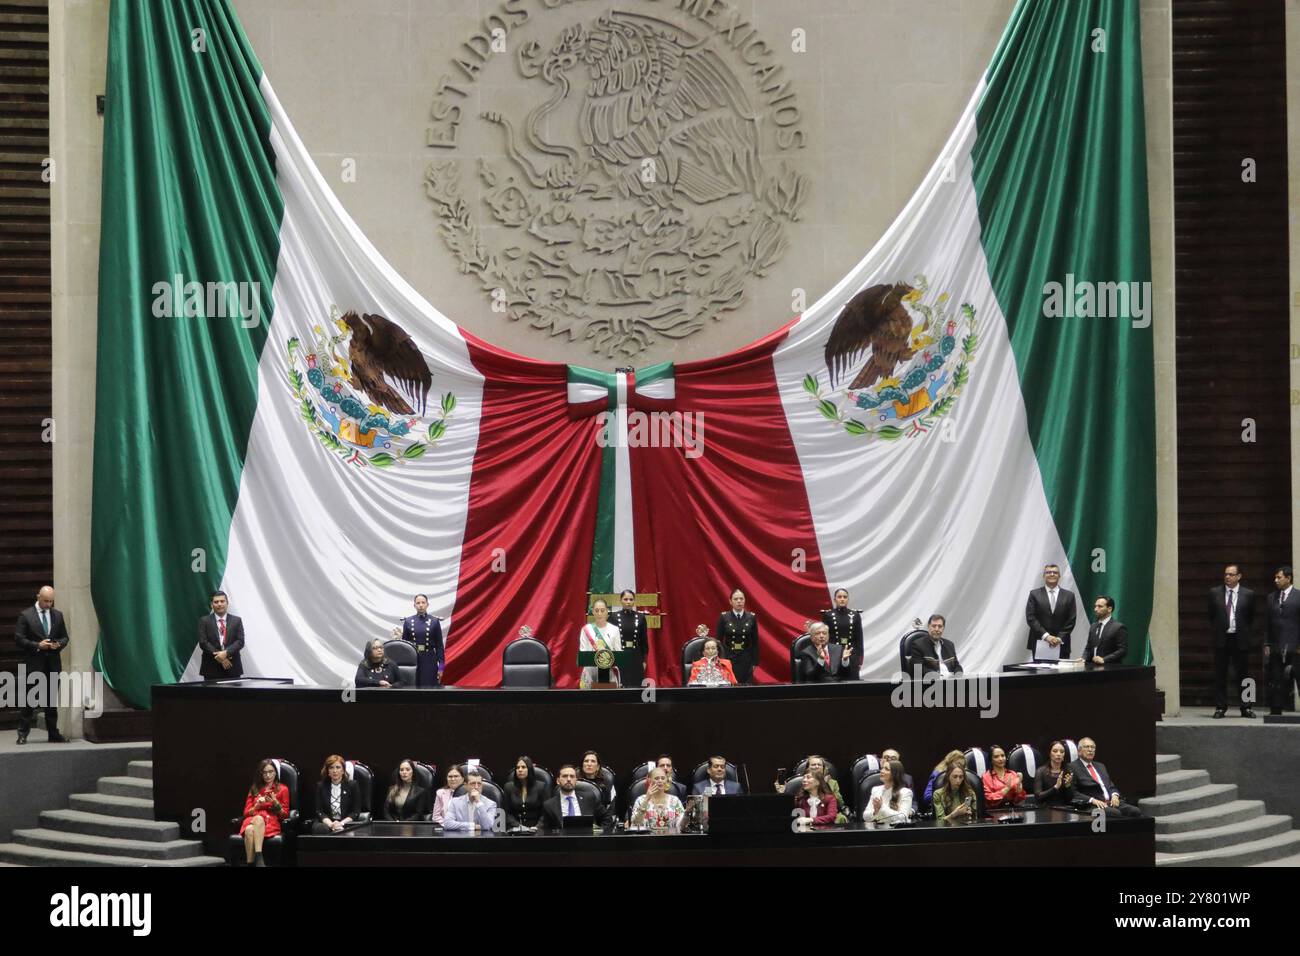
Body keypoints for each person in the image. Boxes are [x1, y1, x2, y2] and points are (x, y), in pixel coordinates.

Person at [15, 585, 70, 744]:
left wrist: (57, 645)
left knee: (51, 703)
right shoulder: (26, 615)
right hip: (33, 664)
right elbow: (19, 639)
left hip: (52, 664)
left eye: (51, 602)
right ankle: (23, 733)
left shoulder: (58, 616)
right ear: (38, 596)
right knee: (29, 701)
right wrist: (37, 645)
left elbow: (65, 637)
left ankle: (53, 733)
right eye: (46, 601)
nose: (48, 605)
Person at [1207, 564, 1258, 718]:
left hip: (1240, 638)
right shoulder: (1214, 592)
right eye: (1225, 574)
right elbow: (1211, 616)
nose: (1227, 577)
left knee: (1245, 674)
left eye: (1231, 574)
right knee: (1220, 674)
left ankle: (1246, 707)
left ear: (1239, 576)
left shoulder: (1249, 594)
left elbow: (1251, 617)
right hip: (1222, 638)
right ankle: (1220, 707)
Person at [1069, 737, 1142, 817]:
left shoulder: (1100, 766)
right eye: (1087, 747)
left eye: (1093, 747)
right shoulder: (1072, 767)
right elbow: (1073, 792)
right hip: (1093, 805)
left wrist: (1114, 795)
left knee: (1135, 811)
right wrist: (1092, 800)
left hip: (1111, 802)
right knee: (1115, 813)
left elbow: (1110, 785)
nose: (1090, 750)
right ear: (1079, 751)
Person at [239, 759, 290, 866]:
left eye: (270, 772)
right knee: (257, 819)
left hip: (270, 821)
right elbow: (246, 813)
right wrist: (257, 805)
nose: (268, 775)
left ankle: (250, 863)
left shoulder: (283, 789)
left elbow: (285, 815)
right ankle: (259, 857)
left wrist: (275, 802)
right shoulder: (254, 788)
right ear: (261, 774)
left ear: (275, 772)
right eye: (264, 772)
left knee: (249, 830)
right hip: (252, 819)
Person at [1264, 566, 1300, 715]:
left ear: (1288, 578)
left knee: (1299, 675)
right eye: (1276, 577)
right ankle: (1276, 709)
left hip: (1295, 645)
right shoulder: (1271, 597)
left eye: (1279, 577)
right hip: (1276, 645)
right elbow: (1267, 622)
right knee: (1276, 678)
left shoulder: (1298, 596)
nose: (1276, 580)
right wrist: (1267, 643)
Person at [1026, 563, 1078, 659]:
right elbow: (1031, 618)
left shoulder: (1069, 595)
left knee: (1062, 674)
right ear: (1044, 576)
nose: (1052, 574)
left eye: (1055, 572)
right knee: (1040, 673)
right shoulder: (1034, 594)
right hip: (1040, 642)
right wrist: (1047, 636)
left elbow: (1071, 620)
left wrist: (1059, 638)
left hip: (1062, 644)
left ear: (1059, 576)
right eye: (1048, 572)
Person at [775, 755, 847, 824]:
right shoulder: (801, 795)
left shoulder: (831, 791)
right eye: (813, 764)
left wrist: (823, 784)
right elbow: (786, 811)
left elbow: (837, 807)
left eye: (819, 765)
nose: (816, 767)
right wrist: (782, 794)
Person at [393, 593, 444, 688]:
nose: (420, 605)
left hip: (429, 658)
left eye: (423, 602)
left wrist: (441, 667)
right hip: (414, 659)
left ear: (427, 604)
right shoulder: (408, 621)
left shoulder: (434, 621)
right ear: (414, 605)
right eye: (418, 603)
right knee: (413, 687)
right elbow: (406, 646)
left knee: (429, 688)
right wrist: (399, 638)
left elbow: (439, 646)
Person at [543, 763, 608, 830]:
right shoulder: (549, 805)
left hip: (587, 838)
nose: (568, 779)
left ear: (576, 780)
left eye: (572, 776)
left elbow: (607, 818)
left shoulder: (589, 798)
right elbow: (546, 830)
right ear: (558, 781)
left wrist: (599, 833)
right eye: (565, 776)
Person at [197, 589, 244, 680]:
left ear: (227, 603)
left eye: (222, 601)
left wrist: (226, 653)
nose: (219, 604)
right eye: (216, 602)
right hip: (211, 668)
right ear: (212, 605)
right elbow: (203, 642)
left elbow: (240, 641)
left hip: (232, 666)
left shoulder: (237, 620)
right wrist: (220, 657)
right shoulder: (204, 621)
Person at [716, 588, 759, 684]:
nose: (739, 601)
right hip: (729, 657)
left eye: (741, 598)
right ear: (730, 601)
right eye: (736, 599)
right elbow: (718, 641)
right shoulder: (724, 617)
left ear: (744, 600)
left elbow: (755, 641)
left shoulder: (751, 617)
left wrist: (755, 662)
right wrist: (720, 659)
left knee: (745, 688)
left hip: (746, 658)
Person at [579, 597, 623, 688]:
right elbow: (582, 652)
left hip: (609, 672)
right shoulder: (586, 629)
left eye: (602, 610)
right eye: (597, 610)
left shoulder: (614, 630)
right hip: (590, 672)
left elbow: (619, 653)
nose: (599, 613)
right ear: (593, 612)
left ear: (607, 611)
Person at [822, 588, 863, 680]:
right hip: (834, 653)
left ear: (848, 599)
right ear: (835, 599)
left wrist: (859, 659)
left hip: (851, 653)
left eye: (845, 597)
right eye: (839, 597)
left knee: (852, 682)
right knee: (835, 681)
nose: (842, 599)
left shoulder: (855, 615)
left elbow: (859, 638)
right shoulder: (828, 615)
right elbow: (825, 637)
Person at [312, 755, 360, 833]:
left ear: (343, 771)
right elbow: (319, 811)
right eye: (331, 767)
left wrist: (341, 823)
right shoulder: (321, 786)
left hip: (346, 822)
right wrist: (331, 824)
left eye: (338, 767)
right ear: (328, 771)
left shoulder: (352, 785)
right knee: (321, 829)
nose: (334, 771)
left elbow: (355, 812)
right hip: (327, 822)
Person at [630, 767, 686, 832]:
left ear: (666, 780)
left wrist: (687, 814)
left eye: (663, 778)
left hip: (671, 839)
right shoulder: (640, 800)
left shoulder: (675, 801)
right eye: (657, 778)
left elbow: (682, 826)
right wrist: (646, 800)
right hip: (646, 839)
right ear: (650, 780)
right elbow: (635, 824)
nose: (660, 781)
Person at [612, 589, 649, 687]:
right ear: (620, 600)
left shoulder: (640, 617)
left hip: (636, 654)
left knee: (636, 684)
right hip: (620, 654)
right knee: (622, 683)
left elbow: (644, 641)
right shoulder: (614, 617)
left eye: (631, 599)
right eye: (625, 599)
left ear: (634, 601)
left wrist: (644, 660)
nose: (628, 602)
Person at [502, 756, 546, 829]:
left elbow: (545, 813)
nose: (520, 770)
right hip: (515, 829)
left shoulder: (541, 787)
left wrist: (537, 827)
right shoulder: (508, 787)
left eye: (523, 767)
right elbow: (506, 813)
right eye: (517, 767)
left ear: (529, 769)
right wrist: (518, 826)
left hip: (536, 830)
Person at [1083, 596, 1128, 666]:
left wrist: (1104, 659)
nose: (1095, 609)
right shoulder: (1093, 626)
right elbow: (1088, 647)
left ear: (1109, 609)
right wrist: (1083, 658)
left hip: (1110, 669)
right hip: (1091, 668)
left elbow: (1122, 650)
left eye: (1100, 606)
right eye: (1095, 606)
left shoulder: (1118, 627)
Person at [865, 759, 912, 824]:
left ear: (895, 773)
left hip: (896, 832)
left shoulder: (905, 792)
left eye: (886, 769)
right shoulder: (875, 790)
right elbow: (865, 816)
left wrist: (882, 808)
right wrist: (875, 812)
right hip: (877, 830)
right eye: (882, 768)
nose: (881, 771)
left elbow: (903, 818)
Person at [1033, 741, 1075, 808]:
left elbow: (1069, 799)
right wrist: (1055, 787)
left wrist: (1068, 786)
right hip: (1045, 809)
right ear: (1049, 753)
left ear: (1064, 755)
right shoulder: (1041, 771)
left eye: (1062, 752)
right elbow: (1038, 797)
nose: (1059, 754)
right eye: (1055, 751)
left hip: (1064, 809)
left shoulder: (1068, 771)